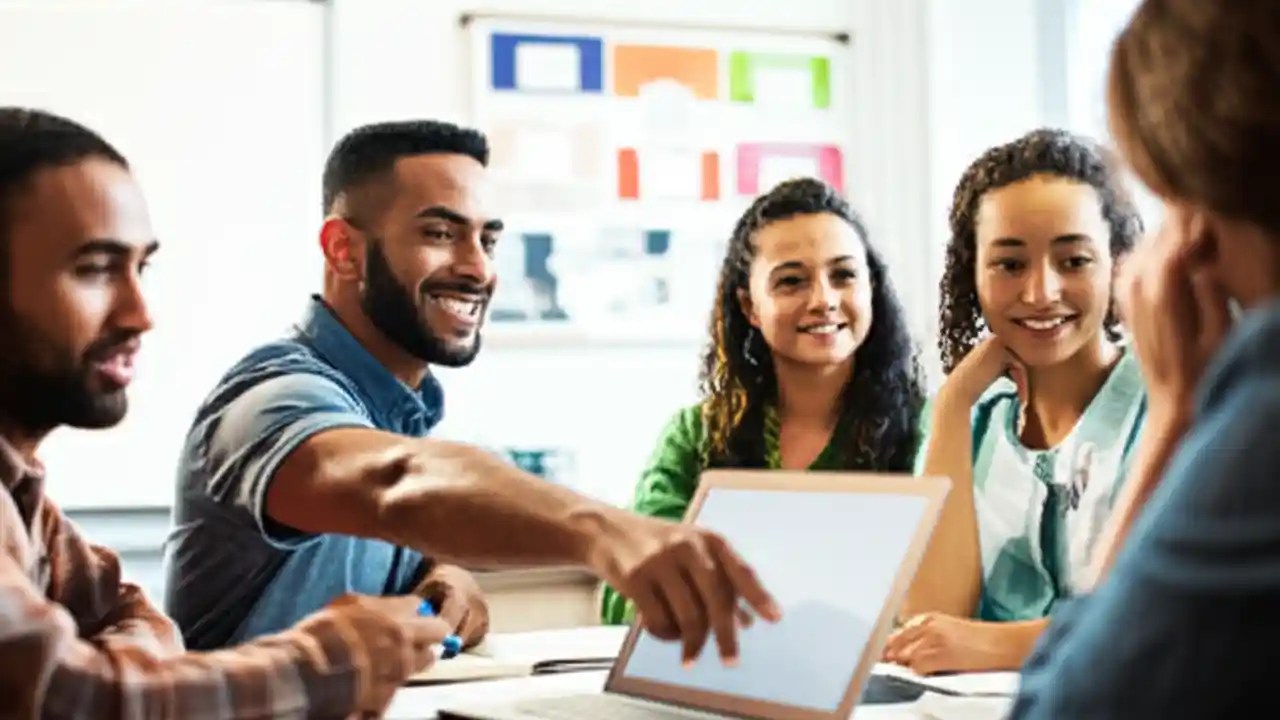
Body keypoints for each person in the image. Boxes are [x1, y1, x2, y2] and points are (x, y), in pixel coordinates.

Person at [163, 119, 780, 667]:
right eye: (440, 233)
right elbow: (393, 484)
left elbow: (398, 499)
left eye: (488, 240)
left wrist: (442, 572)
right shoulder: (272, 398)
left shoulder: (397, 412)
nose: (479, 268)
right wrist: (605, 532)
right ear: (343, 250)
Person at [0, 106, 457, 718]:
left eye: (141, 268)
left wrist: (442, 572)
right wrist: (321, 664)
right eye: (95, 270)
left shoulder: (22, 494)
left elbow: (130, 615)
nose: (141, 314)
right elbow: (70, 699)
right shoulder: (276, 394)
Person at [1010, 1, 1280, 716]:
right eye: (1008, 263)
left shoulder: (1262, 402)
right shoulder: (983, 414)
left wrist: (1172, 416)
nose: (1040, 292)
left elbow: (1061, 707)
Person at [600, 177, 925, 625]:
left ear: (871, 286)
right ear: (749, 306)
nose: (824, 300)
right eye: (791, 281)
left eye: (844, 275)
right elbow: (630, 593)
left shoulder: (927, 429)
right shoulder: (694, 436)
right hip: (724, 664)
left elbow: (939, 596)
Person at [882, 129, 1148, 675]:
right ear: (972, 272)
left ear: (1117, 264)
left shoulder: (1166, 405)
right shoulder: (969, 417)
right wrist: (954, 406)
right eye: (1009, 264)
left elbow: (1160, 612)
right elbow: (930, 619)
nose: (1041, 293)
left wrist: (997, 644)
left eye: (1073, 261)